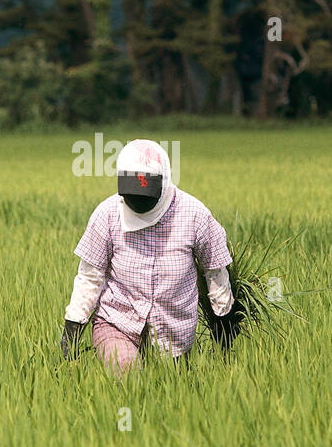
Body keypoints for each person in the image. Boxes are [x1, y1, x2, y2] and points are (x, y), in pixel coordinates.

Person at [60, 138, 241, 375]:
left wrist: (224, 318)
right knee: (127, 371)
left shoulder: (195, 216)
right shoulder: (106, 214)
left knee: (173, 394)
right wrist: (72, 329)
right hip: (117, 321)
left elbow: (215, 272)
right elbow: (89, 277)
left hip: (175, 332)